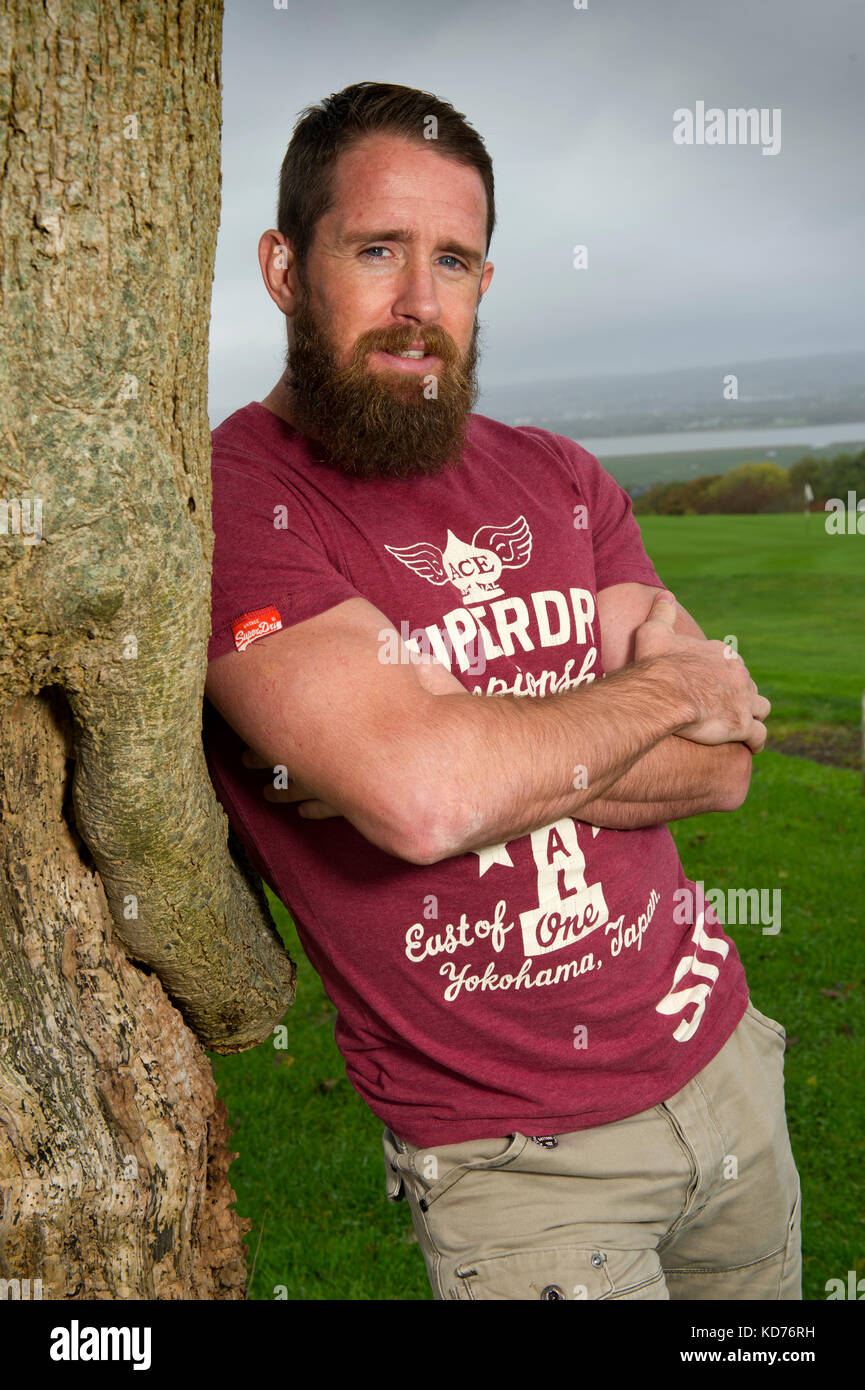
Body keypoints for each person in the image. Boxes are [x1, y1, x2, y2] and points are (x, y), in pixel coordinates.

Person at [202, 81, 800, 1301]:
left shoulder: (559, 478)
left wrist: (481, 752)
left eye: (456, 261)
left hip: (723, 1061)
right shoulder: (233, 503)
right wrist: (658, 688)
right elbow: (427, 800)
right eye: (377, 250)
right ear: (281, 266)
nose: (419, 304)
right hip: (519, 1168)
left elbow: (726, 766)